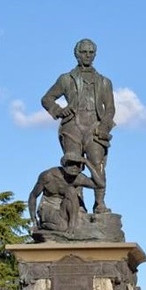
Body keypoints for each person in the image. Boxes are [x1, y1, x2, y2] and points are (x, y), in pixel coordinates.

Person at [40, 39, 116, 213]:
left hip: (94, 128)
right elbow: (47, 99)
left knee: (97, 165)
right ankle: (78, 205)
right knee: (73, 166)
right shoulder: (66, 79)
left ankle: (99, 204)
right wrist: (58, 110)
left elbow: (110, 108)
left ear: (95, 55)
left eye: (91, 52)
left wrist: (104, 126)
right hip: (72, 127)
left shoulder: (104, 82)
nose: (87, 55)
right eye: (83, 52)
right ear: (76, 54)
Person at [28, 157, 86, 238]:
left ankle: (71, 225)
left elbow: (99, 185)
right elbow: (33, 195)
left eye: (77, 165)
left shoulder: (79, 178)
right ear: (65, 165)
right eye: (71, 164)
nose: (74, 168)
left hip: (64, 208)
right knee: (62, 227)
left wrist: (88, 162)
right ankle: (42, 226)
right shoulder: (48, 176)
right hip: (48, 207)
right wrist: (34, 221)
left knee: (80, 224)